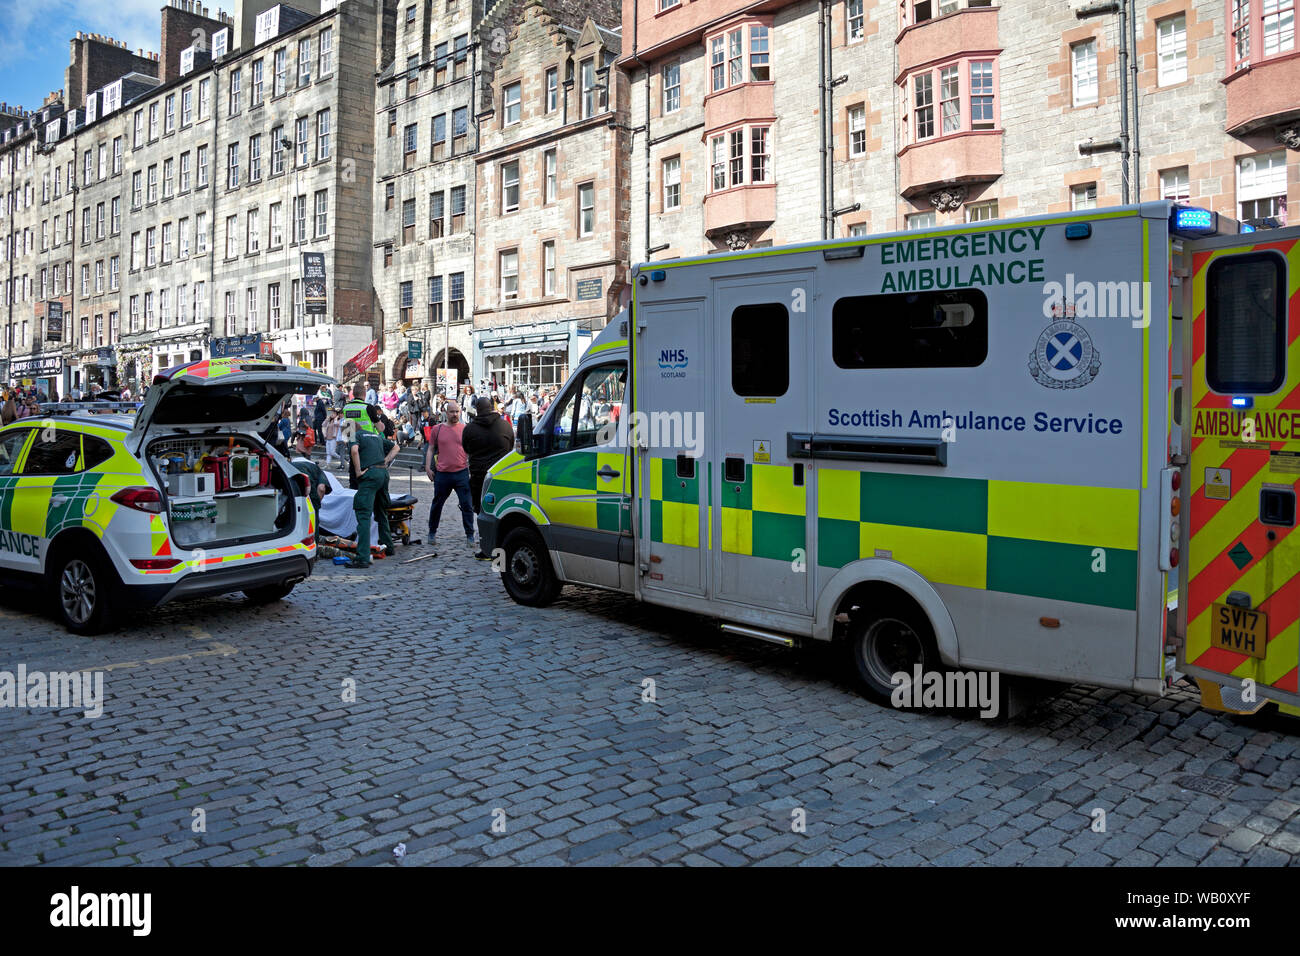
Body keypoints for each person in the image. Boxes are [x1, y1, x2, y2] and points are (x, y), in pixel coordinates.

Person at [344, 406, 398, 568]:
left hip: (370, 476)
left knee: (363, 514)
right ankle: (388, 547)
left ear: (350, 430)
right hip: (383, 475)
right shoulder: (374, 435)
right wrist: (385, 461)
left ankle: (362, 557)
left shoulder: (355, 435)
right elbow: (396, 447)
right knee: (381, 510)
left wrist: (359, 471)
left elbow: (354, 450)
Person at [463, 396, 515, 558]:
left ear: (477, 410)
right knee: (503, 512)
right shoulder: (505, 426)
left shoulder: (470, 429)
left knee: (482, 512)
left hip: (479, 477)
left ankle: (487, 548)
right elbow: (511, 447)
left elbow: (466, 448)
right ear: (492, 407)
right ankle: (504, 547)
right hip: (501, 476)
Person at [424, 401, 476, 549]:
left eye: (457, 412)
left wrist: (471, 469)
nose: (455, 414)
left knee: (466, 505)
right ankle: (432, 532)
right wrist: (428, 467)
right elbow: (430, 449)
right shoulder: (437, 429)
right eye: (452, 412)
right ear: (446, 413)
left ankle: (470, 535)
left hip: (461, 473)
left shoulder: (465, 429)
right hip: (442, 474)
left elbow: (470, 451)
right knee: (437, 504)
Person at [292, 430, 330, 517]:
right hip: (311, 509)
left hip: (293, 509)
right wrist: (316, 504)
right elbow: (321, 488)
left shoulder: (288, 466)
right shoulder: (315, 468)